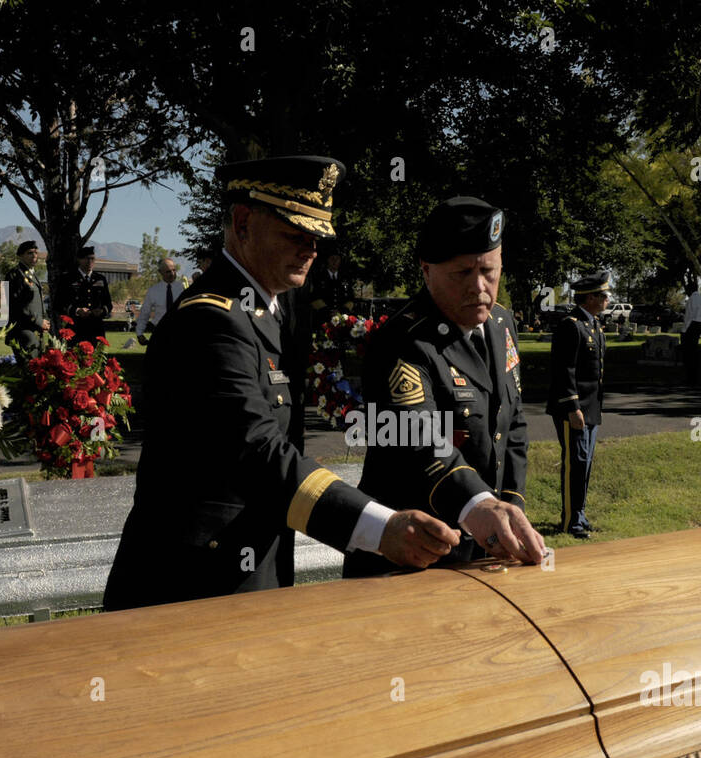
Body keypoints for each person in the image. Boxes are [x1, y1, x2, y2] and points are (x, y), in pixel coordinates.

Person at [103, 155, 460, 610]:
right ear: (243, 221)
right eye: (296, 234)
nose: (311, 249)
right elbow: (258, 452)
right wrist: (377, 528)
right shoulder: (212, 321)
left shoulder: (270, 311)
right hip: (189, 587)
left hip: (241, 573)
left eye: (317, 237)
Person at [341, 196, 547, 577]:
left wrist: (510, 507)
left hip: (486, 543)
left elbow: (513, 422)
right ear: (426, 270)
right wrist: (479, 505)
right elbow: (415, 436)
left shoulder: (502, 323)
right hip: (413, 553)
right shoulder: (402, 340)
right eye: (461, 273)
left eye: (489, 270)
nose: (479, 287)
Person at [546, 271, 608, 538]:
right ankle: (571, 521)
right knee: (575, 462)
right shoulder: (571, 325)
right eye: (603, 295)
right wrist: (573, 407)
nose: (607, 299)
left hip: (591, 407)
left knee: (585, 463)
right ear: (590, 297)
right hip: (574, 409)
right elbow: (564, 370)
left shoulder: (594, 325)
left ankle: (580, 514)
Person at [4, 240, 50, 360]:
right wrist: (39, 321)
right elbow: (19, 305)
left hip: (35, 330)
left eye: (36, 252)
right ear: (20, 255)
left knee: (37, 370)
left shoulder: (31, 274)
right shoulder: (15, 275)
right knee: (29, 369)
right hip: (23, 330)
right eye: (30, 253)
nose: (34, 255)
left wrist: (42, 322)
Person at [58, 246, 111, 345]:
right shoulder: (68, 279)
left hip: (96, 329)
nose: (90, 261)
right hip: (76, 329)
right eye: (87, 258)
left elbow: (108, 303)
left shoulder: (100, 279)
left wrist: (102, 311)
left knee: (96, 360)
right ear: (79, 259)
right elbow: (59, 303)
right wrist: (77, 310)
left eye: (92, 259)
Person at [134, 257, 184, 344]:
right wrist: (139, 333)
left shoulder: (183, 288)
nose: (172, 274)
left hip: (180, 333)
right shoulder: (153, 291)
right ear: (160, 272)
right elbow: (145, 313)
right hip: (160, 333)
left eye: (174, 270)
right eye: (168, 271)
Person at [680, 279, 701, 387]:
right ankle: (695, 376)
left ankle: (690, 377)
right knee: (694, 351)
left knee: (688, 353)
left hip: (691, 326)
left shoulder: (691, 299)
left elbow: (689, 317)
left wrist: (684, 330)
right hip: (699, 325)